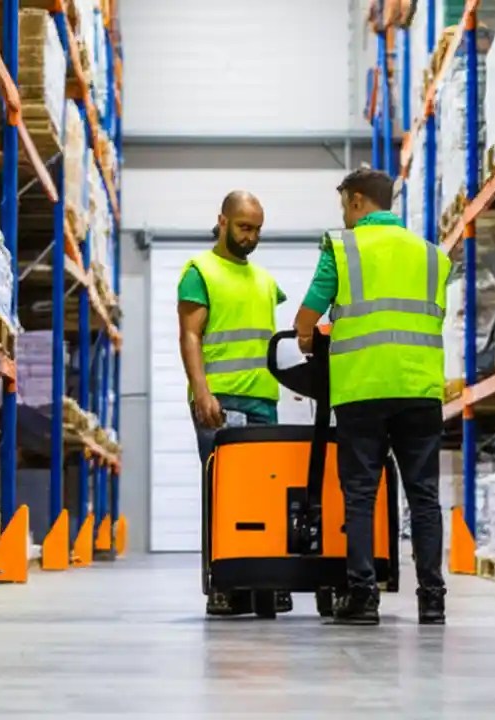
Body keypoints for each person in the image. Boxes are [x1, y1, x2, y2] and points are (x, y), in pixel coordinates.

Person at [293, 168, 451, 626]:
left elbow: (307, 319)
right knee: (424, 497)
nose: (343, 213)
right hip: (419, 388)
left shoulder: (342, 249)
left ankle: (362, 597)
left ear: (357, 201)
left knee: (360, 494)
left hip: (362, 388)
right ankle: (433, 600)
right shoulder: (431, 256)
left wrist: (310, 339)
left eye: (344, 203)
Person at [177, 190, 292, 617]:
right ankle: (222, 587)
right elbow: (190, 335)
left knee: (267, 496)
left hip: (264, 401)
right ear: (222, 221)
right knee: (222, 496)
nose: (251, 237)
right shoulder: (200, 272)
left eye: (257, 230)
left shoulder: (265, 281)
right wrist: (202, 391)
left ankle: (269, 579)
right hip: (220, 402)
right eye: (244, 227)